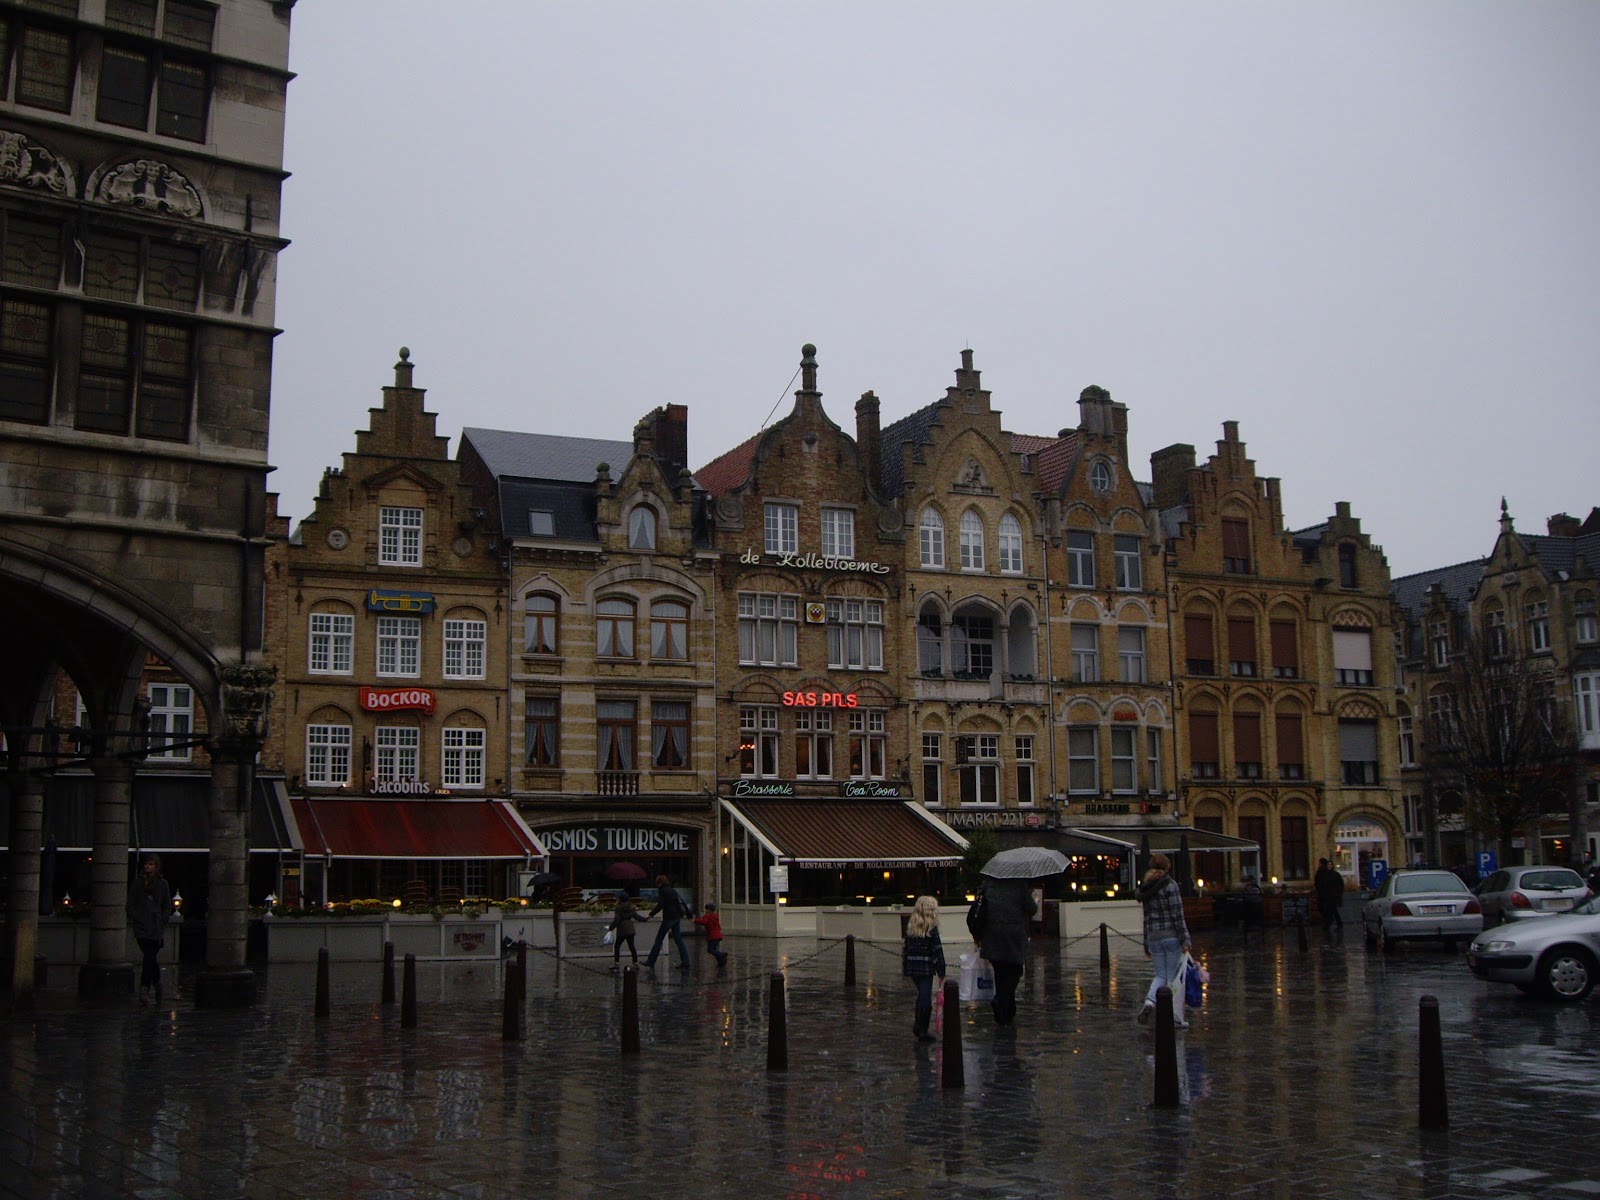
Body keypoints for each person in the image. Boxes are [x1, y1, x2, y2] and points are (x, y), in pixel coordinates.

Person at [971, 877, 1036, 1027]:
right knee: (1015, 971)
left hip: (991, 937)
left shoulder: (987, 886)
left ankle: (1006, 1012)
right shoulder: (1019, 886)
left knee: (1000, 973)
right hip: (1013, 937)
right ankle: (1000, 1000)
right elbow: (1032, 909)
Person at [1136, 853, 1192, 1027]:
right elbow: (1177, 914)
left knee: (1160, 975)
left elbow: (1146, 917)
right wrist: (1185, 939)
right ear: (1167, 867)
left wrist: (1146, 942)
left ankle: (1149, 1003)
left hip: (1153, 937)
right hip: (1171, 936)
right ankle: (1174, 1016)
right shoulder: (1170, 885)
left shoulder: (1146, 887)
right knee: (1173, 978)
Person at [127, 854, 173, 1005]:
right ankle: (153, 985)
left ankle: (146, 988)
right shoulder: (137, 883)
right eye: (146, 864)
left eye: (151, 864)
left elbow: (167, 905)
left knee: (150, 957)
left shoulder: (162, 884)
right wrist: (137, 917)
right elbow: (130, 905)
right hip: (141, 927)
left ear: (156, 867)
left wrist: (162, 919)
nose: (148, 867)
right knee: (149, 956)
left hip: (155, 927)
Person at [902, 895, 946, 1042]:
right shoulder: (932, 929)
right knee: (926, 998)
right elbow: (937, 950)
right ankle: (922, 1029)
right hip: (926, 968)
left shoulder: (911, 927)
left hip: (914, 967)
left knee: (922, 994)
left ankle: (919, 1025)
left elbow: (906, 949)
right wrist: (941, 969)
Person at [644, 874, 692, 971]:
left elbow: (661, 904)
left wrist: (651, 914)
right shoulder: (672, 890)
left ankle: (651, 961)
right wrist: (689, 915)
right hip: (676, 917)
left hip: (668, 917)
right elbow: (681, 902)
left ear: (659, 883)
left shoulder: (662, 891)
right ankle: (686, 962)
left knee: (659, 939)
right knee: (679, 940)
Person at [607, 892, 645, 969]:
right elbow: (637, 917)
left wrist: (611, 927)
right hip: (630, 929)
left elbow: (617, 919)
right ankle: (635, 963)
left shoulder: (618, 907)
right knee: (631, 946)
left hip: (622, 929)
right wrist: (645, 919)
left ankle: (616, 964)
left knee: (617, 946)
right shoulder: (631, 907)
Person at [692, 902, 728, 968]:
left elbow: (703, 922)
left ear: (709, 910)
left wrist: (694, 920)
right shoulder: (715, 916)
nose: (705, 911)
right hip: (718, 935)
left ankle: (722, 955)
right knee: (715, 949)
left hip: (712, 936)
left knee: (710, 949)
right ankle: (721, 962)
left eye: (706, 909)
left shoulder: (708, 916)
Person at [1314, 857, 1345, 932]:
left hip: (1333, 895)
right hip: (1327, 895)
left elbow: (1341, 884)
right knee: (1332, 910)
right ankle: (1336, 924)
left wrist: (1339, 893)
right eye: (1328, 865)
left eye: (1331, 865)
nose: (1329, 866)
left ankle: (1329, 925)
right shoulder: (1325, 874)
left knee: (1331, 910)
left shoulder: (1335, 874)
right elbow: (1321, 884)